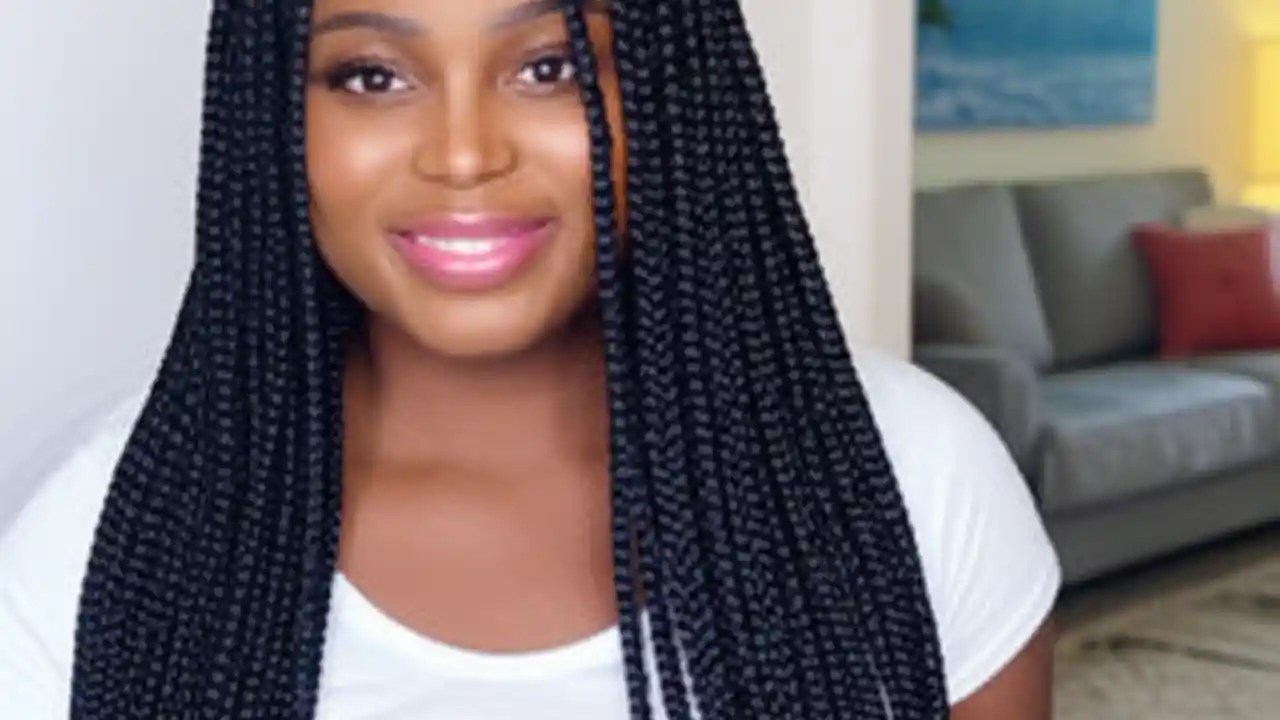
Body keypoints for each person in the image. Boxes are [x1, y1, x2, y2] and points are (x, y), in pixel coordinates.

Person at [0, 0, 1060, 717]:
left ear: (670, 92)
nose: (464, 151)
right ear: (269, 117)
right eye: (370, 76)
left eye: (548, 65)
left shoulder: (913, 476)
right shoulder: (103, 535)